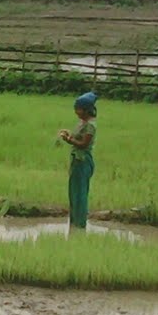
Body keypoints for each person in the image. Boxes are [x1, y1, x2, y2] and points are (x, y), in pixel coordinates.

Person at [58, 92, 98, 230]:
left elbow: (83, 144)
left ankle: (80, 224)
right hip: (76, 160)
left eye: (78, 109)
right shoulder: (83, 123)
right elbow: (77, 138)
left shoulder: (90, 126)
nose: (76, 111)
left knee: (80, 193)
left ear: (86, 110)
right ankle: (74, 222)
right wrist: (69, 134)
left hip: (83, 161)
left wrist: (68, 139)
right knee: (73, 192)